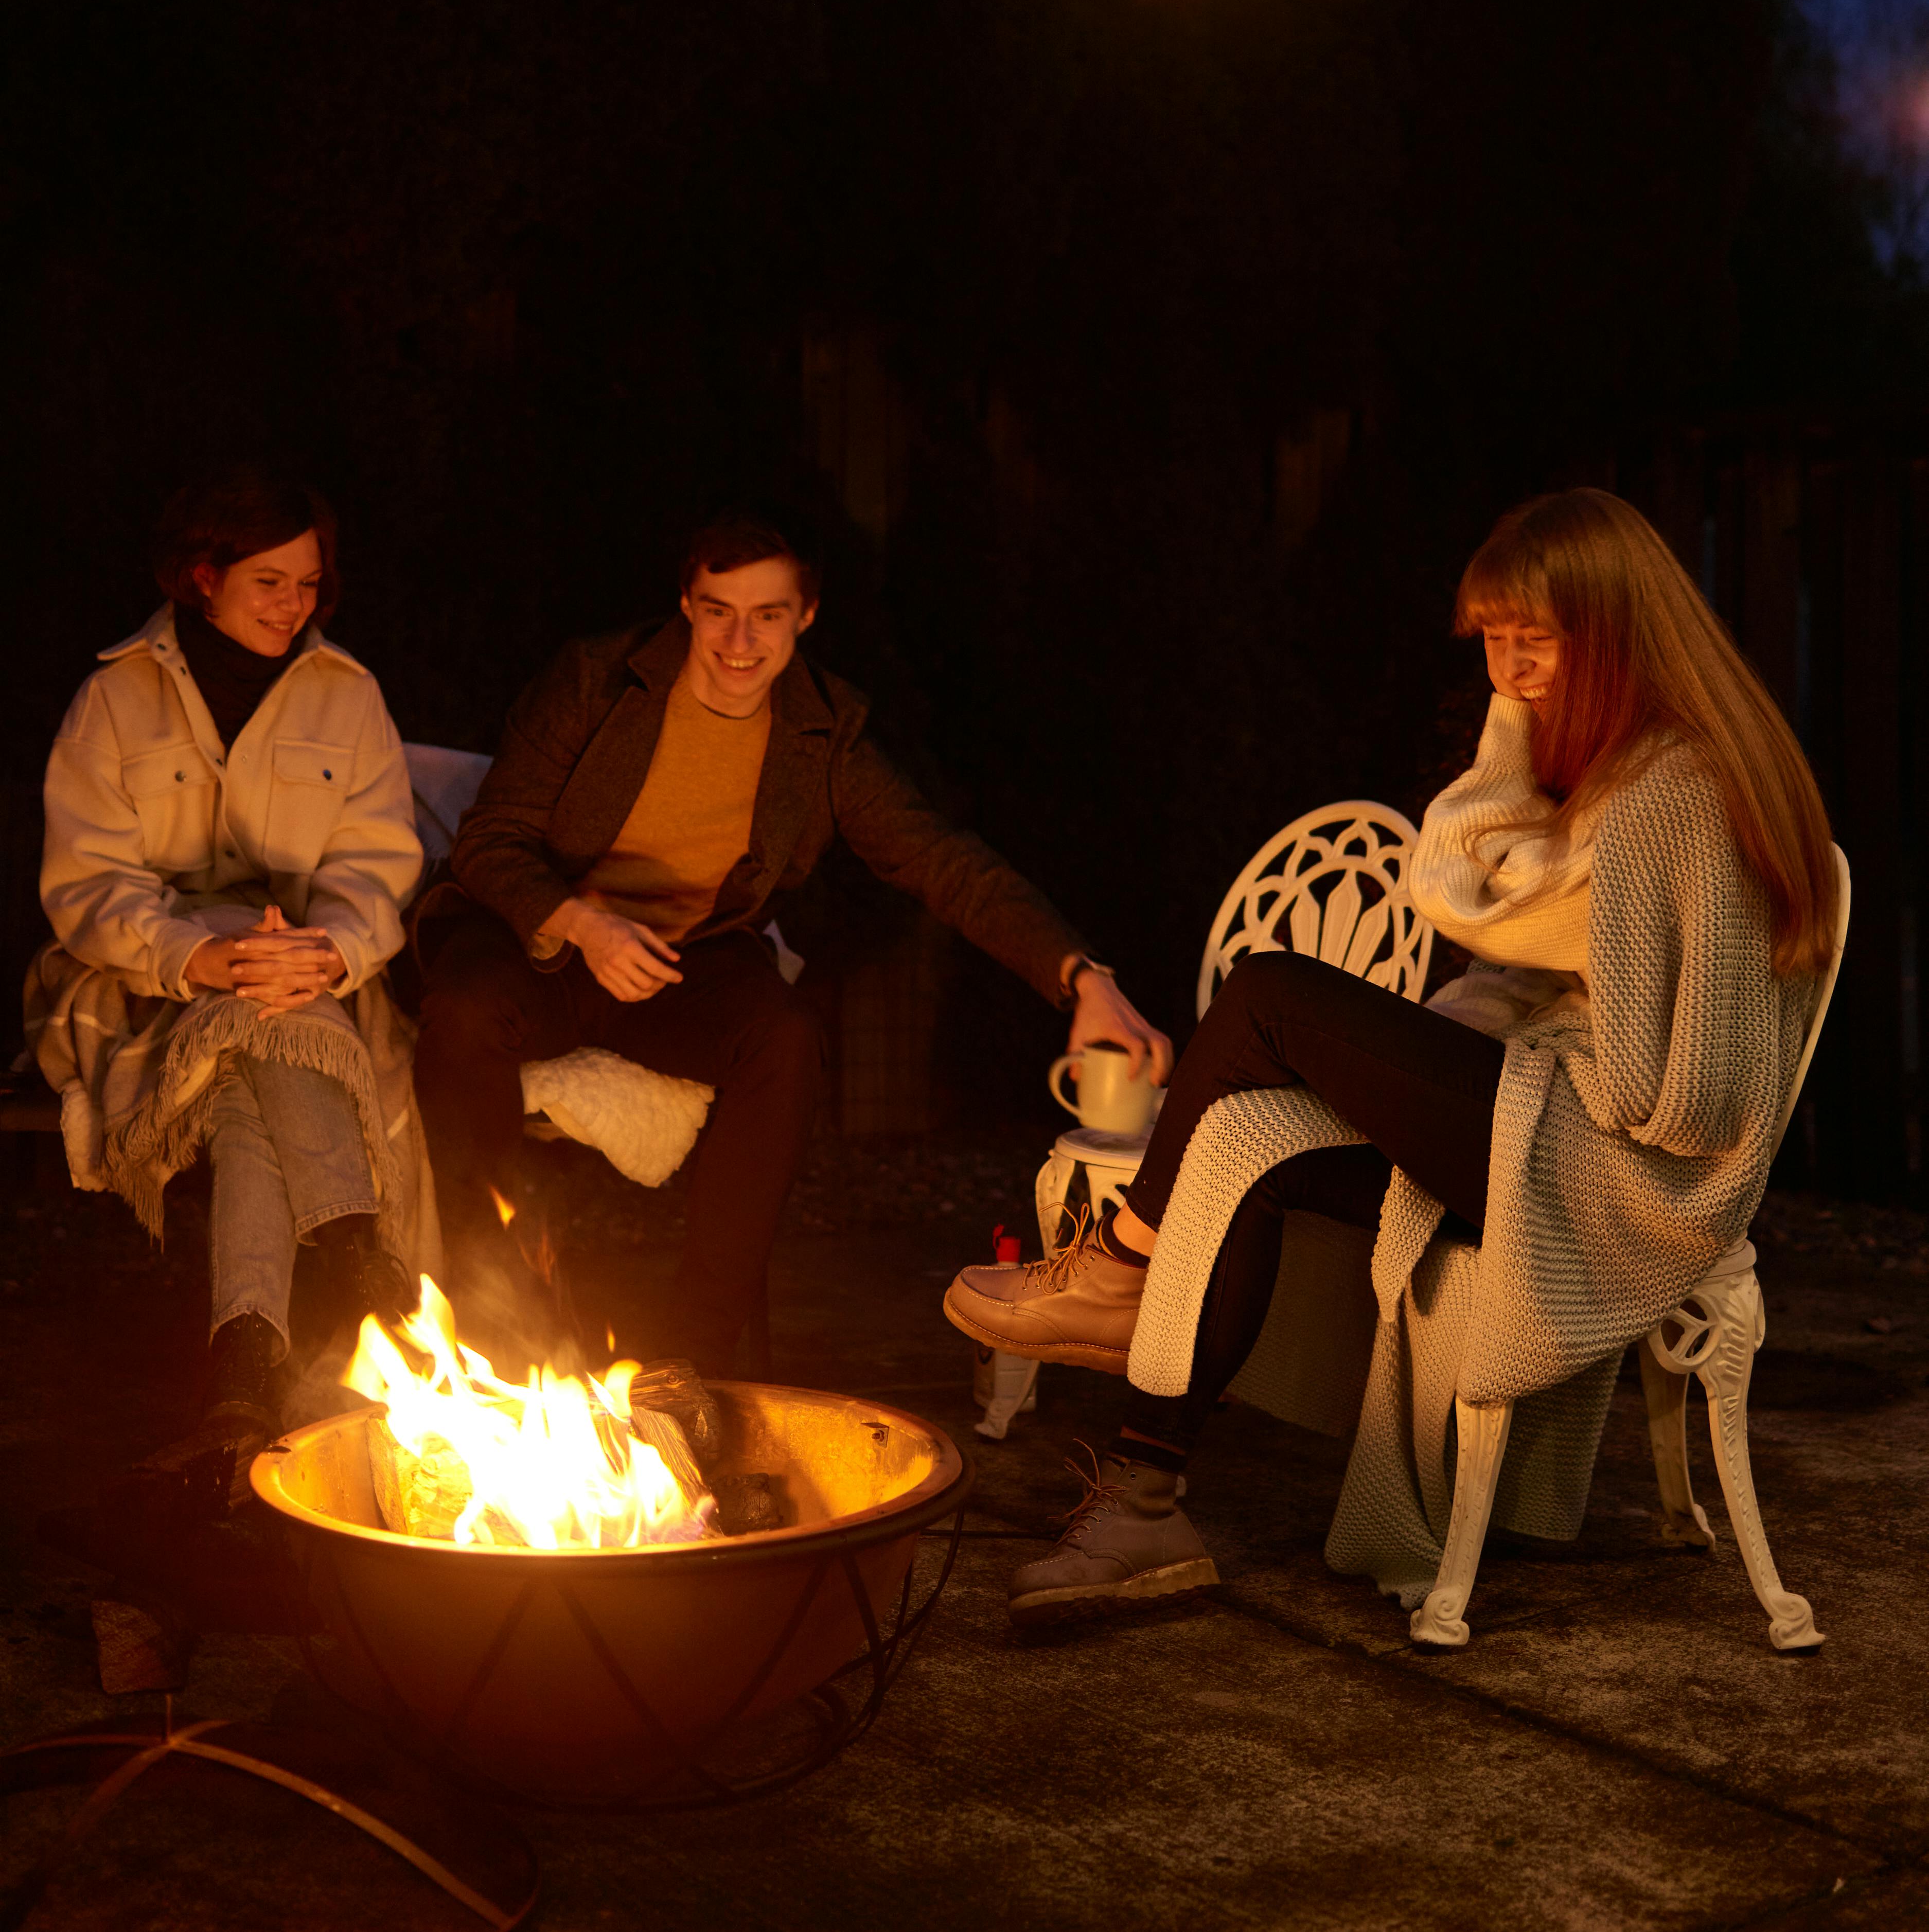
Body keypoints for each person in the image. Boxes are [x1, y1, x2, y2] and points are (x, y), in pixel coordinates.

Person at [945, 488, 1837, 1620]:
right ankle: (1143, 1507)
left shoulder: (1679, 790)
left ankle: (1122, 1266)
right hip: (1544, 1117)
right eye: (1494, 640)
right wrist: (1514, 735)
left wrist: (1553, 1064)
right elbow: (1473, 892)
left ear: (1618, 629)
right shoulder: (1610, 766)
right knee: (1242, 1140)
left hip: (1613, 1172)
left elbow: (1696, 1091)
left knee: (1268, 996)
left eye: (1537, 638)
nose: (1510, 670)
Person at [412, 511, 1172, 1376]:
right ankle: (487, 1316)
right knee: (464, 1009)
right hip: (543, 947)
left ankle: (692, 1364)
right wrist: (584, 925)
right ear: (687, 606)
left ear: (804, 615)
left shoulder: (822, 734)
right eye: (718, 611)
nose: (739, 642)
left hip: (682, 962)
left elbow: (943, 862)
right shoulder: (596, 679)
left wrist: (1082, 978)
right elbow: (490, 843)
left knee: (785, 1037)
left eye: (766, 616)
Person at [26, 468, 435, 1473]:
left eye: (309, 583)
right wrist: (198, 955)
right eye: (269, 582)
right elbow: (89, 882)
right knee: (262, 1022)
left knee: (262, 1051)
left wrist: (329, 949)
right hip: (142, 983)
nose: (294, 605)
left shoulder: (346, 694)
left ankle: (243, 1369)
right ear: (203, 576)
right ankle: (359, 1255)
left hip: (307, 979)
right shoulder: (115, 697)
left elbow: (375, 861)